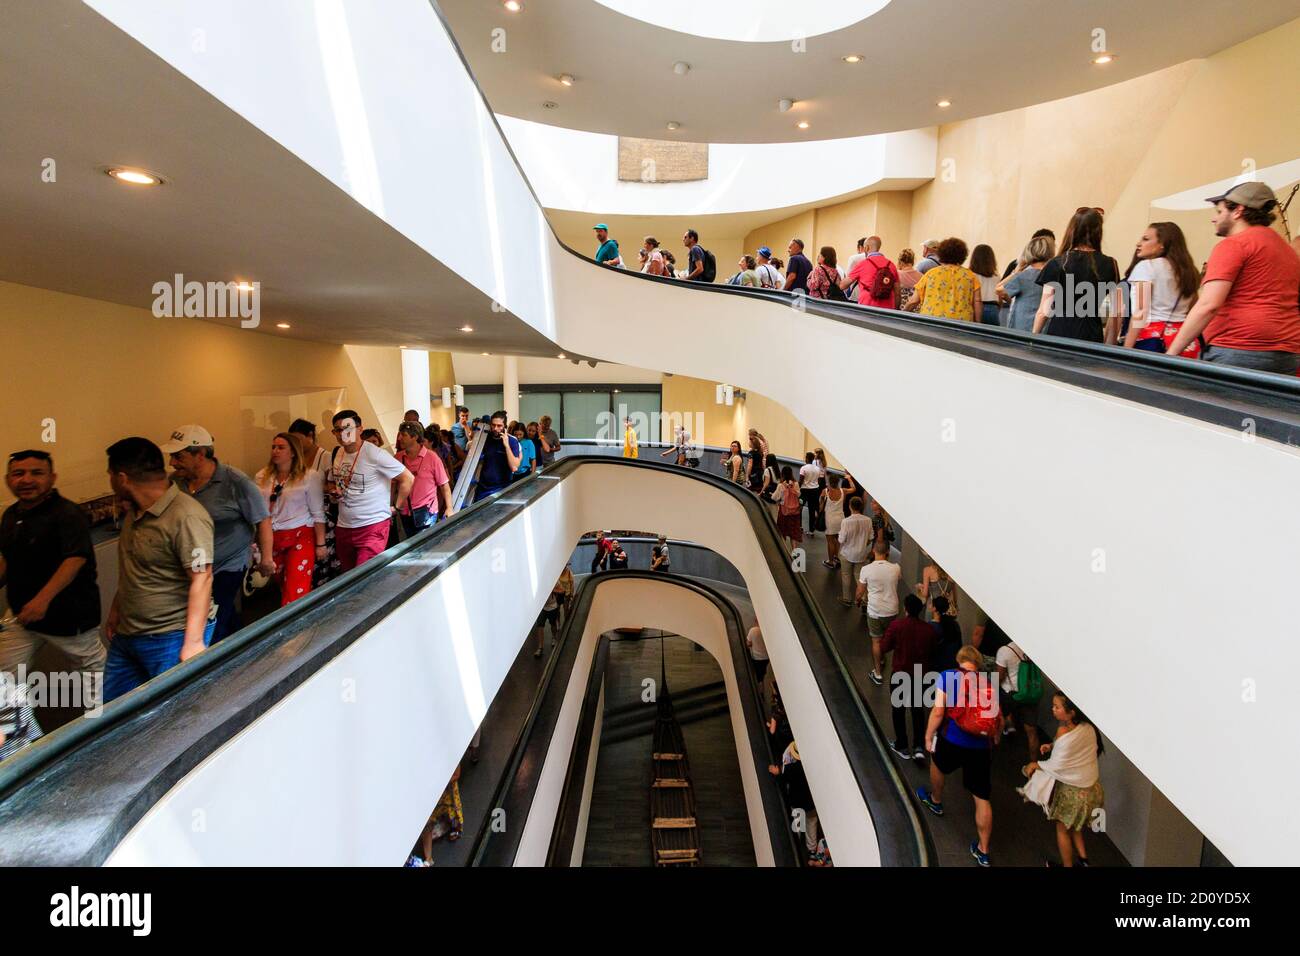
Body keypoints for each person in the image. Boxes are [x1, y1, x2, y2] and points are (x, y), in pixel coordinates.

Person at [102, 438, 216, 702]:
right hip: (129, 635)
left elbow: (202, 577)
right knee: (113, 714)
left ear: (122, 478)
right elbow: (136, 567)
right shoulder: (136, 512)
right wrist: (117, 610)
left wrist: (194, 643)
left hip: (170, 636)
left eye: (109, 475)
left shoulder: (186, 516)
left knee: (175, 716)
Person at [0, 450, 105, 711]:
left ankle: (104, 731)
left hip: (70, 618)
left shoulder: (67, 514)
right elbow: (8, 558)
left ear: (52, 477)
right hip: (22, 616)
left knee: (92, 677)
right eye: (18, 473)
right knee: (5, 678)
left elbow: (75, 560)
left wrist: (41, 601)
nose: (26, 480)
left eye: (37, 473)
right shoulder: (11, 515)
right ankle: (17, 736)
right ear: (7, 480)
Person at [1165, 182, 1300, 372]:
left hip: (1238, 347)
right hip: (1288, 352)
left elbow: (1208, 305)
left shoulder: (1234, 244)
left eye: (1219, 212)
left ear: (1238, 211)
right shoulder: (1287, 250)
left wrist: (1171, 354)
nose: (1214, 219)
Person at [162, 424, 272, 643]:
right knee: (225, 613)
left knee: (213, 617)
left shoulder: (236, 482)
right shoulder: (175, 483)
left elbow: (262, 520)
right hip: (193, 564)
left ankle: (213, 666)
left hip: (228, 563)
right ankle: (245, 646)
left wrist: (266, 558)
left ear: (200, 454)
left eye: (178, 456)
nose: (172, 462)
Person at [917, 645, 998, 867]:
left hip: (953, 738)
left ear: (959, 660)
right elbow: (994, 720)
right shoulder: (987, 684)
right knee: (982, 797)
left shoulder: (948, 676)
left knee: (938, 764)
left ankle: (935, 800)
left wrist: (928, 735)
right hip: (981, 747)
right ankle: (983, 850)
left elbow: (938, 711)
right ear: (978, 664)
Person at [1018, 693, 1105, 867]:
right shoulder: (1088, 728)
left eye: (1057, 707)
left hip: (1073, 795)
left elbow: (1055, 765)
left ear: (1071, 713)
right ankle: (1084, 860)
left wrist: (1034, 765)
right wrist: (1051, 746)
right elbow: (1066, 748)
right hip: (1092, 791)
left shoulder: (1064, 731)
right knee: (1076, 827)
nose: (1053, 709)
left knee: (1063, 830)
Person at [327, 410, 413, 570]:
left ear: (360, 429)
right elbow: (331, 481)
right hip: (344, 526)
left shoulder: (375, 454)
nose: (342, 433)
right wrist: (334, 490)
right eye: (337, 430)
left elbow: (407, 478)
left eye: (347, 428)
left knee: (363, 576)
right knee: (347, 577)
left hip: (372, 525)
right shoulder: (338, 452)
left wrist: (397, 507)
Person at [255, 434, 327, 606]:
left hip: (300, 535)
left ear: (293, 452)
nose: (275, 451)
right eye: (273, 447)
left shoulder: (309, 476)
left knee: (296, 589)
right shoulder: (262, 476)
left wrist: (321, 544)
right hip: (271, 537)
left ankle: (296, 628)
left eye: (281, 447)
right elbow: (258, 512)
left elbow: (317, 512)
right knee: (282, 584)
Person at [1034, 208, 1122, 344]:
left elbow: (1043, 311)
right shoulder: (1110, 264)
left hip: (1060, 331)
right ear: (1099, 232)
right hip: (1091, 332)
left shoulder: (1058, 263)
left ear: (1072, 229)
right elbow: (1116, 313)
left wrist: (1033, 339)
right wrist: (1110, 346)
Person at [1121, 222, 1201, 356]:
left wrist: (1126, 351)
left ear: (1162, 244)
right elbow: (1193, 309)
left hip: (1153, 340)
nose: (1138, 243)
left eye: (1146, 239)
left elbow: (1140, 312)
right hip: (1184, 342)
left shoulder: (1146, 267)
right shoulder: (1189, 271)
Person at [881, 594, 936, 761]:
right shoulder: (928, 630)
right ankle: (919, 746)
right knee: (917, 711)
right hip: (920, 675)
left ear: (905, 609)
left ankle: (902, 745)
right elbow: (932, 652)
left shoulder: (897, 626)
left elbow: (884, 646)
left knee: (898, 710)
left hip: (900, 673)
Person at [856, 540, 902, 686]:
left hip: (875, 610)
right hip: (892, 610)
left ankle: (878, 672)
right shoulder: (896, 568)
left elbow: (860, 591)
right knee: (890, 639)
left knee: (876, 640)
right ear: (888, 552)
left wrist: (858, 600)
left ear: (873, 551)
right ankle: (886, 660)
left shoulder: (866, 569)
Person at [906, 237, 981, 322]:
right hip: (961, 324)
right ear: (963, 255)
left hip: (932, 322)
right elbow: (977, 301)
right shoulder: (971, 276)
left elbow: (914, 301)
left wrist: (903, 313)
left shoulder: (931, 274)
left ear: (941, 253)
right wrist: (978, 323)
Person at [395, 421, 451, 534]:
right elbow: (392, 485)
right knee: (411, 545)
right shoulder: (398, 458)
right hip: (405, 512)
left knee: (424, 547)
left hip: (427, 513)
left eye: (403, 435)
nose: (399, 438)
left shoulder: (432, 457)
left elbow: (444, 485)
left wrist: (449, 508)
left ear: (415, 437)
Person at [997, 234, 1055, 333]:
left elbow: (999, 289)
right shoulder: (1054, 273)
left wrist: (1016, 272)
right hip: (1046, 326)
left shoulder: (1024, 275)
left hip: (1022, 325)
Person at [997, 639, 1042, 759]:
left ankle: (1007, 733)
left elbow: (1000, 676)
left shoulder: (1005, 650)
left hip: (1010, 693)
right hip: (1029, 693)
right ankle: (1033, 763)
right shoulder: (1036, 646)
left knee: (1001, 718)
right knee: (1032, 732)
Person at [473, 411, 521, 501]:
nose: (495, 428)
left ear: (505, 426)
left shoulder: (512, 441)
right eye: (493, 425)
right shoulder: (485, 438)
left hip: (502, 488)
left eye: (499, 426)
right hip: (483, 487)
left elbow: (514, 467)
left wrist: (506, 446)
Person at [843, 236, 900, 309]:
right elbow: (897, 293)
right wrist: (895, 310)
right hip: (887, 309)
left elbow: (843, 285)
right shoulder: (891, 265)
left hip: (867, 307)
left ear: (866, 248)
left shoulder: (863, 264)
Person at [837, 497, 872, 606]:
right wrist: (862, 545)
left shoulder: (846, 521)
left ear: (850, 506)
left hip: (847, 553)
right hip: (861, 553)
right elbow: (871, 537)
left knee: (846, 575)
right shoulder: (868, 520)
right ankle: (865, 600)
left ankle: (847, 599)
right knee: (859, 577)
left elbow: (841, 540)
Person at [917, 556, 958, 623]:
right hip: (947, 609)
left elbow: (925, 594)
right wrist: (955, 605)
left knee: (931, 630)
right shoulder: (952, 571)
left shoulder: (927, 570)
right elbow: (955, 596)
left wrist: (921, 588)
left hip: (932, 608)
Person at [930, 594, 962, 673]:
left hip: (937, 667)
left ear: (934, 608)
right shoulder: (955, 624)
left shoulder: (931, 627)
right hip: (954, 665)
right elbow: (960, 645)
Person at [970, 244, 1001, 325]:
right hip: (993, 307)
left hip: (976, 308)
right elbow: (1000, 295)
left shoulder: (971, 275)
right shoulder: (996, 276)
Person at [820, 473, 845, 569]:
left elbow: (821, 506)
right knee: (838, 540)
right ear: (838, 482)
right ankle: (836, 557)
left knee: (830, 541)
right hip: (840, 519)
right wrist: (850, 479)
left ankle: (830, 562)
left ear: (829, 481)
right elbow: (853, 489)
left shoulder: (825, 491)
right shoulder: (843, 491)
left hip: (830, 519)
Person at [775, 466, 803, 552]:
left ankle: (784, 552)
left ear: (782, 474)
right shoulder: (796, 484)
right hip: (794, 512)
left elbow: (776, 497)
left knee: (782, 532)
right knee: (793, 533)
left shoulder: (780, 485)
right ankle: (794, 551)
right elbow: (799, 495)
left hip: (784, 511)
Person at [534, 585, 561, 658]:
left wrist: (553, 590)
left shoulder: (554, 580)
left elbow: (561, 590)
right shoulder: (539, 582)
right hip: (542, 607)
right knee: (540, 625)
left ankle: (554, 637)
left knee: (553, 624)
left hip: (552, 607)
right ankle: (540, 647)